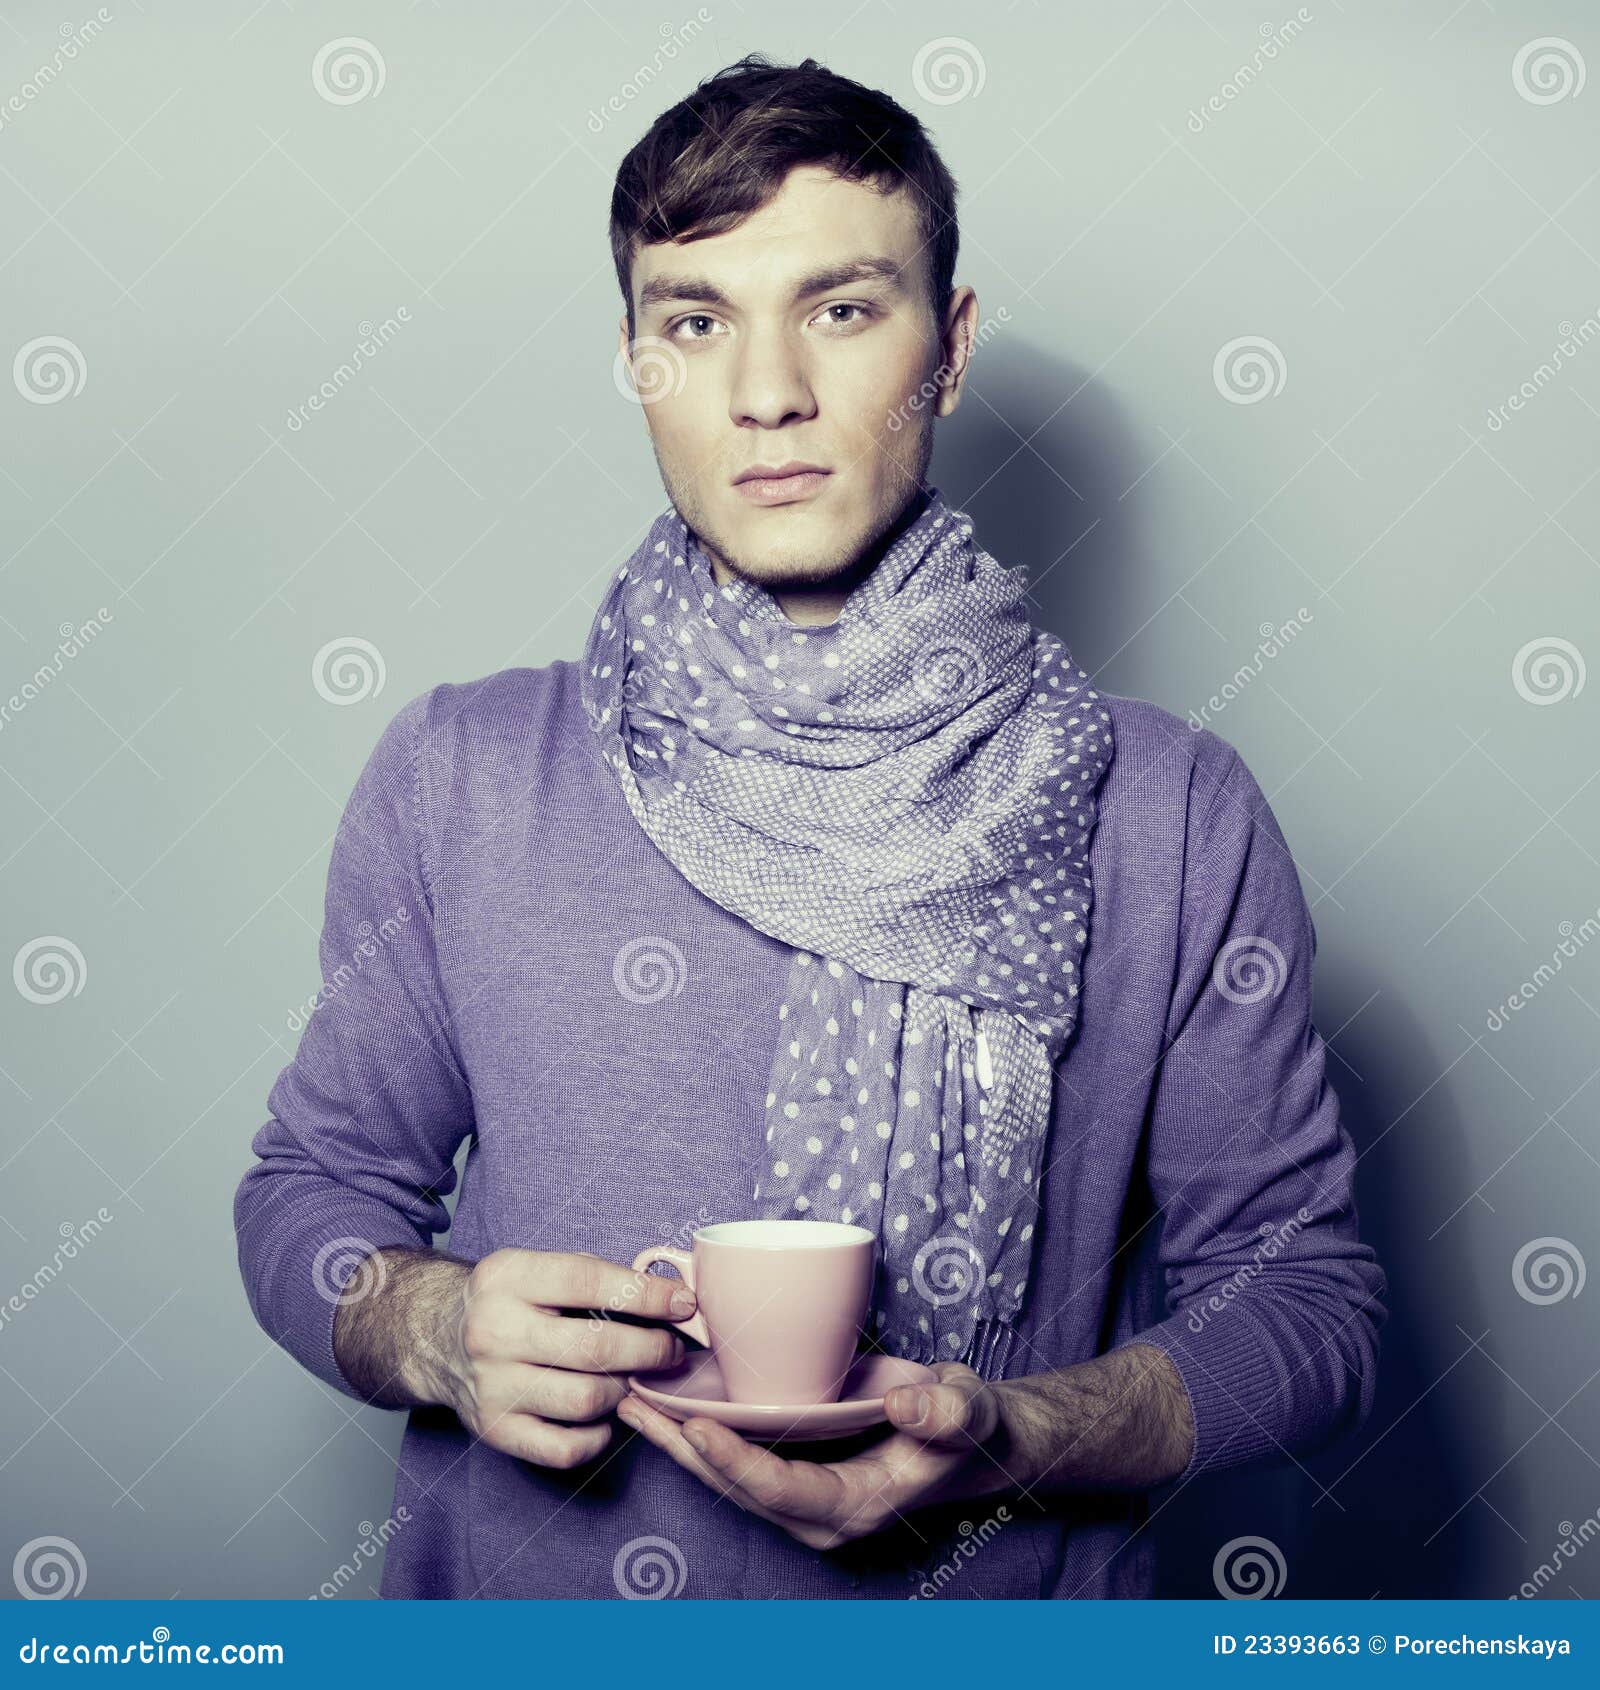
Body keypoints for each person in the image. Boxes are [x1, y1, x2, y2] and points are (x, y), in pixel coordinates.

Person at [233, 53, 1385, 1600]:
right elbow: (311, 1196)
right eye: (694, 321)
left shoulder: (1171, 813)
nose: (765, 391)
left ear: (951, 347)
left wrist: (1019, 1434)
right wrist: (434, 1326)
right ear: (639, 361)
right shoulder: (465, 772)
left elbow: (1310, 1299)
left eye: (842, 309)